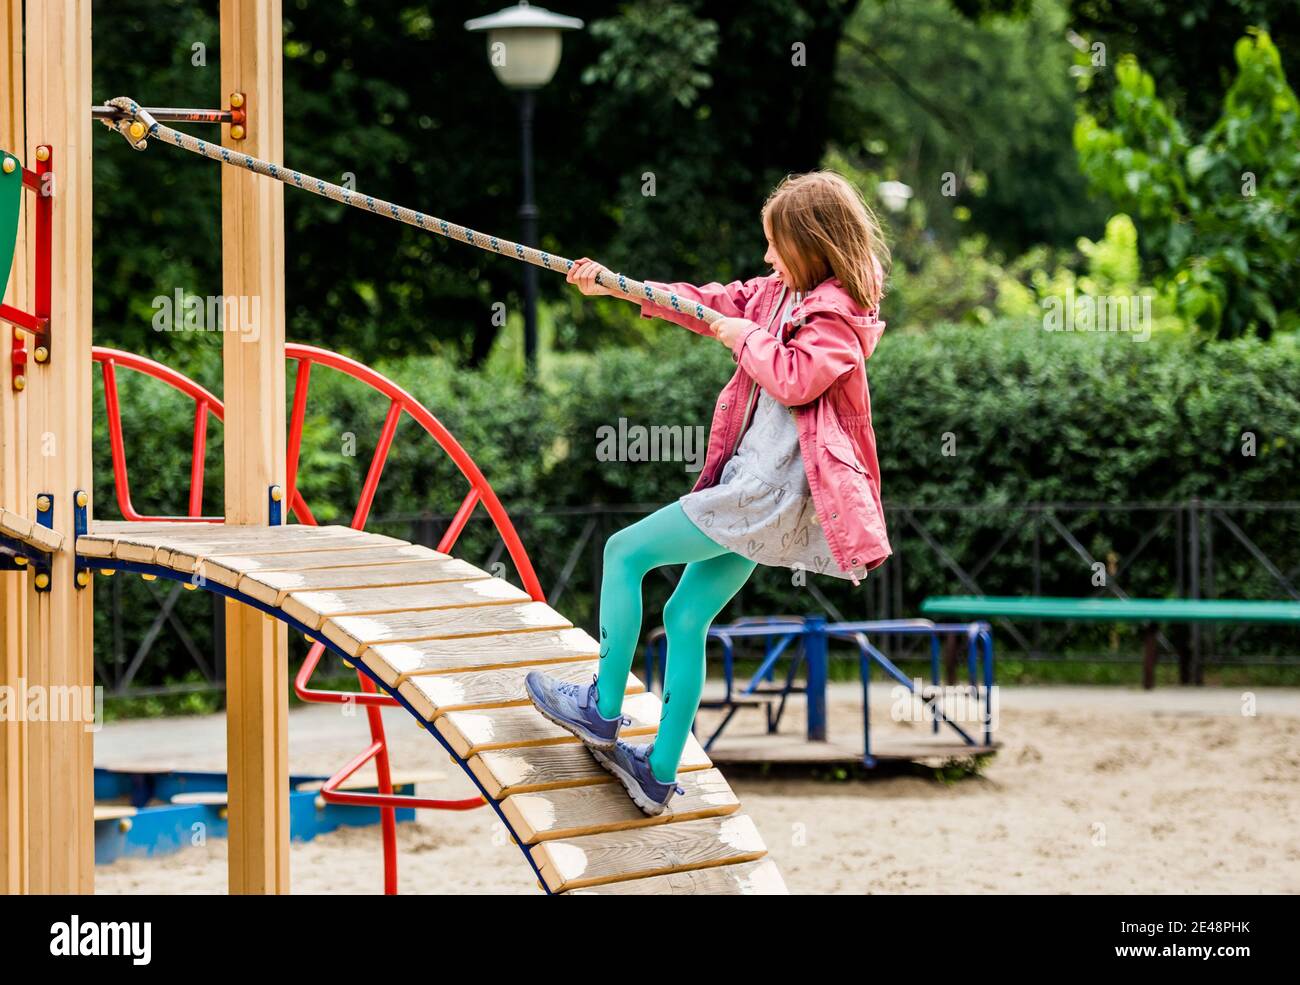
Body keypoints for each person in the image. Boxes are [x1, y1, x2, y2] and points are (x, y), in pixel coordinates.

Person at [526, 170, 894, 815]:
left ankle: (602, 708)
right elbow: (708, 303)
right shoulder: (779, 294)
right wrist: (617, 285)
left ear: (811, 243)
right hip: (763, 498)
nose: (767, 256)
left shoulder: (836, 317)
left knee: (623, 552)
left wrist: (744, 338)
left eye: (776, 243)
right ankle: (658, 771)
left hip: (763, 492)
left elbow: (795, 378)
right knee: (685, 617)